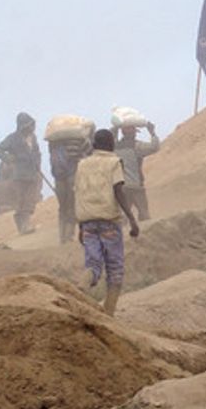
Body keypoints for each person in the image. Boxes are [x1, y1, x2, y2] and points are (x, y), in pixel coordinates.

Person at [75, 128, 141, 315]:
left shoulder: (82, 165)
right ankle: (109, 314)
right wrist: (132, 219)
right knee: (115, 270)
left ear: (94, 145)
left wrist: (81, 225)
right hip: (109, 222)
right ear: (111, 144)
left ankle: (83, 284)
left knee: (93, 265)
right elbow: (119, 191)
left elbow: (79, 194)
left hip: (87, 222)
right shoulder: (113, 163)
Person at [0, 111, 43, 234]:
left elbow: (37, 152)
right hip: (19, 174)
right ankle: (22, 226)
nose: (32, 128)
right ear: (23, 126)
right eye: (29, 125)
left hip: (32, 173)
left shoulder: (33, 138)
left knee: (30, 200)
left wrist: (38, 163)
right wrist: (9, 159)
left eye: (32, 125)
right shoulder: (12, 138)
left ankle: (25, 225)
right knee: (21, 201)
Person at [48, 129, 90, 244]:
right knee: (72, 205)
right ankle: (69, 235)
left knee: (62, 207)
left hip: (58, 178)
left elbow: (51, 159)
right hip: (72, 176)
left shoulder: (53, 143)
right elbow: (86, 155)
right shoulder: (79, 140)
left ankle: (62, 237)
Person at [115, 121, 160, 221]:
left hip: (121, 187)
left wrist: (115, 129)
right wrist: (152, 132)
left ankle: (124, 235)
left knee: (123, 215)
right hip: (136, 186)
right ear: (134, 133)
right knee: (144, 214)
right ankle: (145, 234)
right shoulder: (137, 146)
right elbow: (155, 147)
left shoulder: (115, 147)